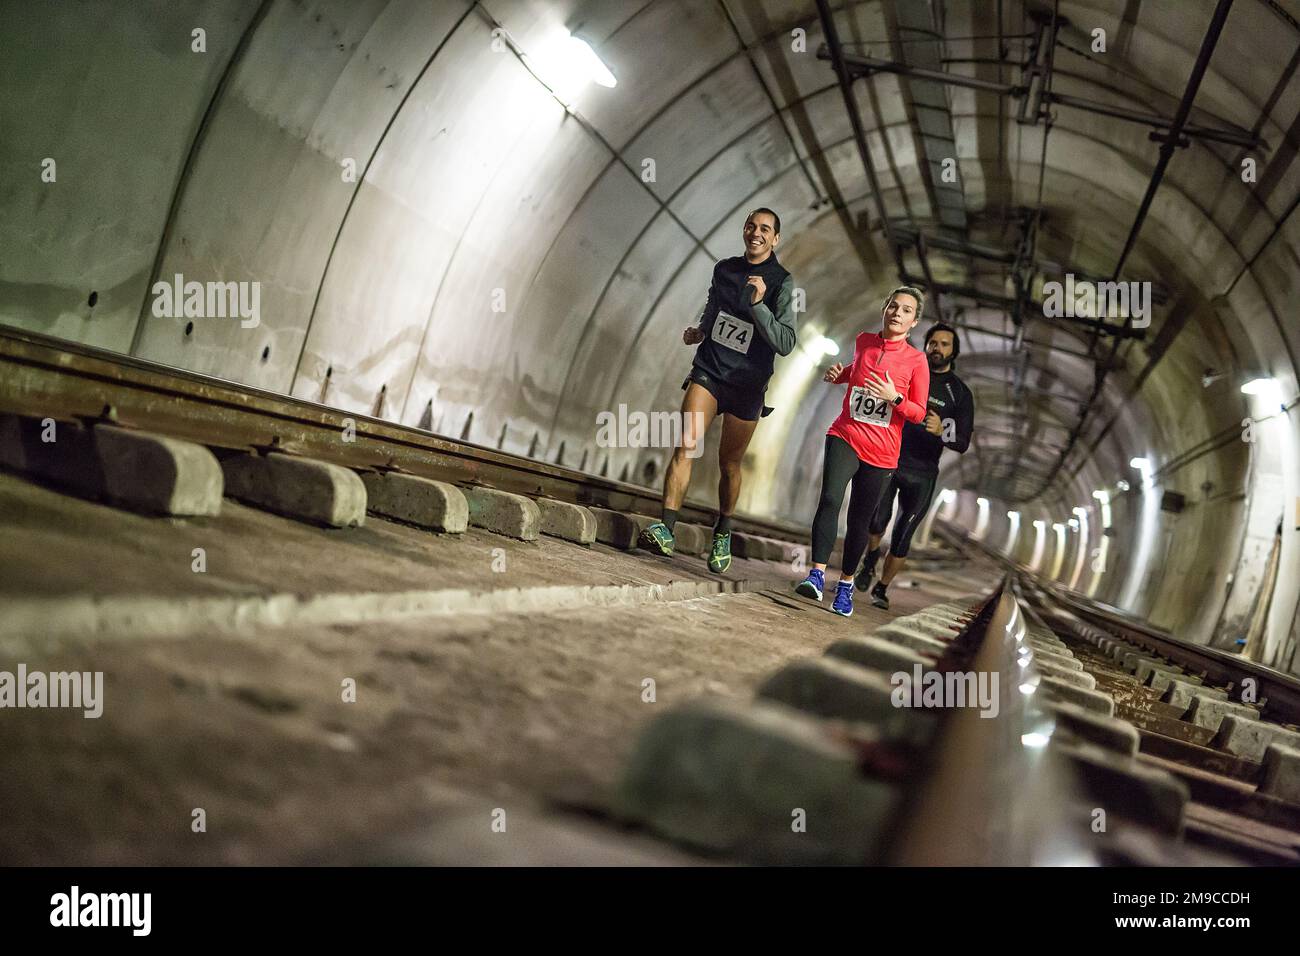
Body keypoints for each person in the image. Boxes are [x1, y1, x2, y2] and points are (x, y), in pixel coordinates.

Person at [638, 208, 796, 573]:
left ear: (775, 239)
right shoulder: (724, 269)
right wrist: (701, 331)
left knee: (729, 464)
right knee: (685, 446)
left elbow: (786, 342)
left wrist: (759, 307)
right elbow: (715, 308)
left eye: (765, 229)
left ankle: (723, 530)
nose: (756, 233)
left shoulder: (782, 282)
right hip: (709, 370)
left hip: (747, 385)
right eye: (751, 226)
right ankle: (666, 528)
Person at [794, 287, 930, 615]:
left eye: (906, 310)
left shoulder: (917, 361)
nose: (897, 313)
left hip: (881, 453)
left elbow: (919, 412)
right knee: (829, 499)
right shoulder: (863, 341)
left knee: (859, 521)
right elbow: (857, 375)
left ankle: (845, 586)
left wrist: (894, 397)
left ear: (913, 322)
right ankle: (815, 575)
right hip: (845, 433)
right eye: (893, 306)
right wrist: (840, 376)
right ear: (884, 309)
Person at [856, 323, 974, 609]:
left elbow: (962, 441)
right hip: (891, 459)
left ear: (953, 351)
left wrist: (941, 430)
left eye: (945, 344)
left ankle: (882, 589)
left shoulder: (959, 393)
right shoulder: (909, 372)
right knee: (876, 521)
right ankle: (871, 557)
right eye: (933, 342)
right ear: (926, 346)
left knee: (903, 535)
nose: (938, 348)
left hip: (923, 473)